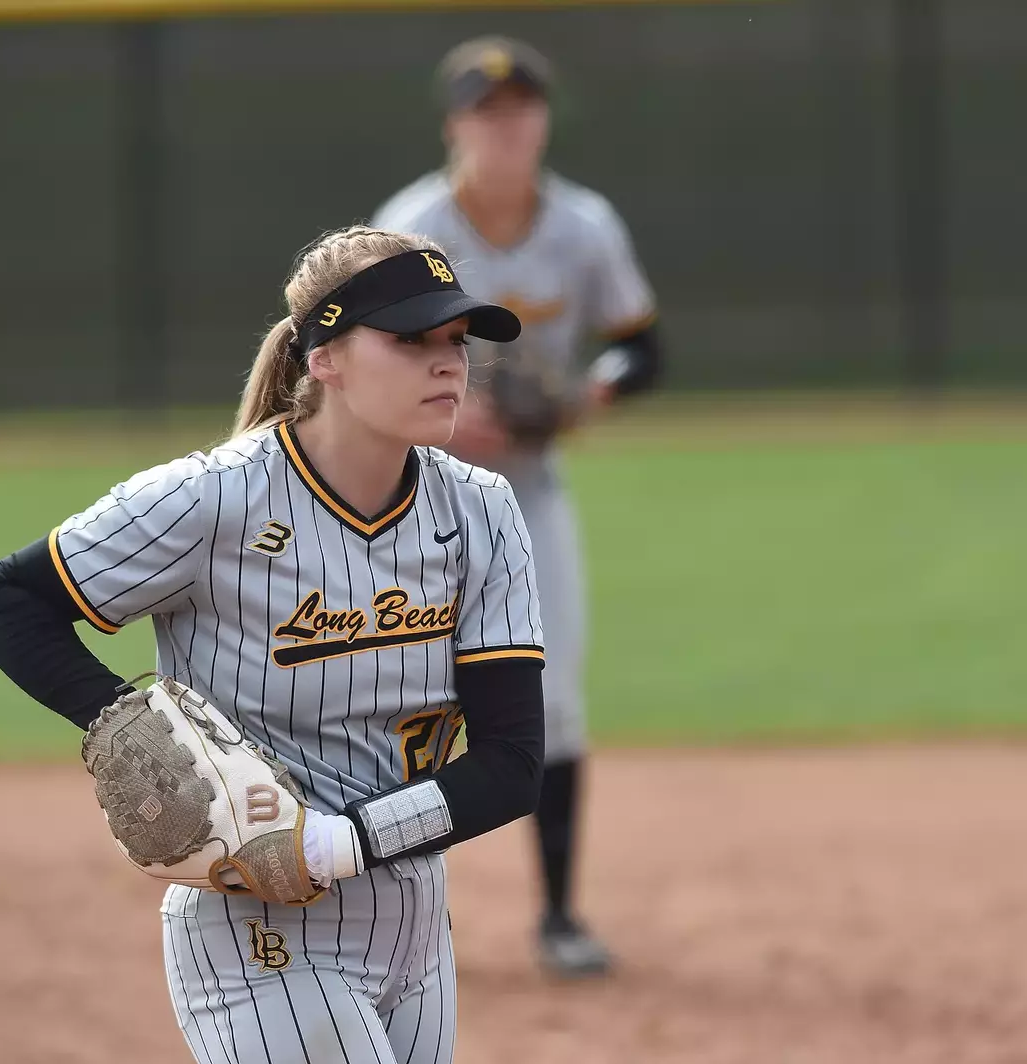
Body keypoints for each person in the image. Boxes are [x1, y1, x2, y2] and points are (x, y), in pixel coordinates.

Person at [0, 226, 547, 1064]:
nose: (449, 363)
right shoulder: (215, 500)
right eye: (412, 339)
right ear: (325, 358)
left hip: (418, 932)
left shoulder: (481, 510)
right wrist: (127, 722)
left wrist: (335, 844)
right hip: (257, 931)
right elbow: (3, 601)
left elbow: (513, 762)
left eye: (456, 340)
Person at [372, 35, 663, 978]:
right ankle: (379, 915)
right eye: (486, 112)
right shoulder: (413, 225)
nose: (506, 127)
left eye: (521, 109)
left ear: (543, 121)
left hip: (529, 493)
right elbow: (360, 355)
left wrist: (591, 394)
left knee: (554, 699)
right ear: (454, 126)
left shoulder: (584, 225)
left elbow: (642, 346)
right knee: (383, 698)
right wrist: (447, 419)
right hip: (410, 493)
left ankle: (561, 917)